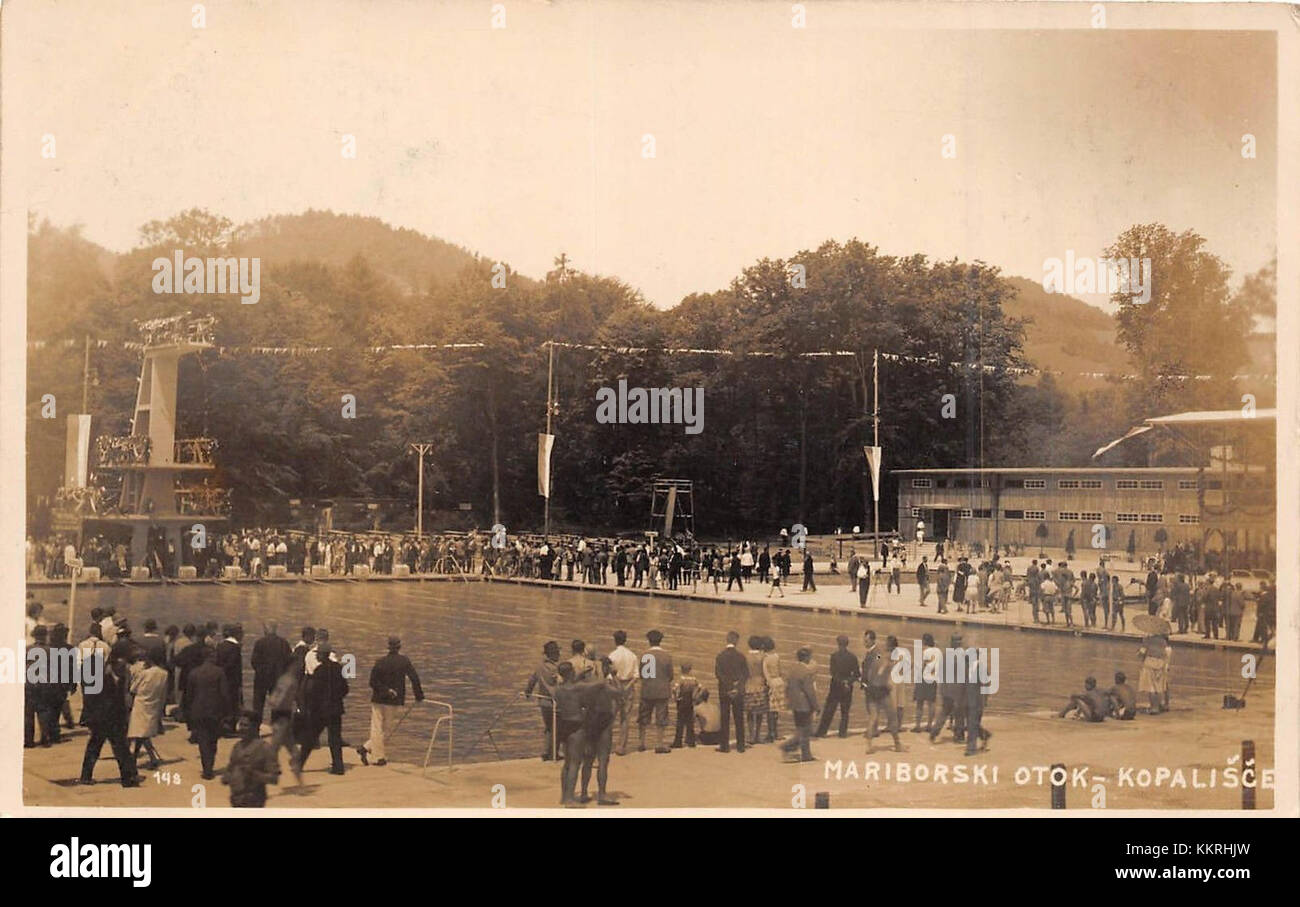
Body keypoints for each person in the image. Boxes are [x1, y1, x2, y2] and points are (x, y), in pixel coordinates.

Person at [78, 645, 142, 787]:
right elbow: (90, 699)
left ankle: (128, 778)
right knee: (101, 747)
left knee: (119, 748)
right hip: (102, 719)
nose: (126, 666)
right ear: (116, 661)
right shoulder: (100, 677)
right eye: (124, 663)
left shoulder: (121, 675)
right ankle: (127, 778)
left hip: (114, 719)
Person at [356, 636, 424, 767]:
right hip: (393, 701)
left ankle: (366, 749)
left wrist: (385, 690)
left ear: (388, 647)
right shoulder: (404, 661)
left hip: (378, 699)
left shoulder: (380, 662)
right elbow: (414, 678)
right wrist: (419, 696)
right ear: (399, 647)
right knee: (387, 729)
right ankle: (377, 757)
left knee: (377, 728)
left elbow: (372, 682)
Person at [299, 642, 349, 775]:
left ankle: (298, 764)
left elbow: (313, 692)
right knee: (335, 738)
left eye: (318, 654)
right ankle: (338, 766)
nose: (317, 656)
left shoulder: (319, 671)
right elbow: (345, 689)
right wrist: (336, 699)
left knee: (311, 737)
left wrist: (310, 707)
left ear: (322, 655)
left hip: (320, 710)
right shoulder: (338, 668)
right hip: (335, 709)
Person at [184, 648, 230, 780]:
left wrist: (188, 712)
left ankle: (206, 768)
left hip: (198, 710)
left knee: (203, 740)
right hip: (214, 710)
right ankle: (210, 764)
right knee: (213, 740)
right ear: (211, 657)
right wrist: (227, 711)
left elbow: (189, 696)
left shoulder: (193, 673)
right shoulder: (219, 672)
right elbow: (224, 694)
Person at [579, 657, 619, 805]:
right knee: (603, 760)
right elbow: (621, 693)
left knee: (588, 760)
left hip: (589, 722)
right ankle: (601, 794)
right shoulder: (607, 686)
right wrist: (614, 676)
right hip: (604, 723)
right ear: (606, 669)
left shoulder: (588, 685)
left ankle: (583, 792)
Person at [222, 710, 281, 807]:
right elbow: (229, 770)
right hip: (236, 800)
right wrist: (228, 777)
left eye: (245, 725)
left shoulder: (264, 748)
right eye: (240, 725)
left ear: (255, 727)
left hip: (254, 801)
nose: (241, 729)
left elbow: (274, 779)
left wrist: (254, 774)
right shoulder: (237, 747)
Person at [127, 649, 169, 769]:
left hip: (140, 704)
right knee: (144, 733)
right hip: (154, 704)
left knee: (138, 734)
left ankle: (133, 759)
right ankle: (152, 757)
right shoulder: (164, 674)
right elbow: (164, 693)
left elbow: (133, 689)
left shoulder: (144, 673)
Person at [864, 635, 904, 753]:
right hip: (881, 689)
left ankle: (868, 745)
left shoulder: (878, 654)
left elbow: (872, 670)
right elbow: (882, 670)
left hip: (872, 688)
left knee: (873, 717)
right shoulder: (887, 658)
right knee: (892, 717)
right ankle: (897, 744)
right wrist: (886, 684)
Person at [250, 622, 293, 727]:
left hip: (261, 678)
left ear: (266, 630)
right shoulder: (284, 643)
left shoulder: (259, 643)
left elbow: (254, 661)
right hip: (278, 678)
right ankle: (275, 728)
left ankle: (255, 728)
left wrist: (260, 670)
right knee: (277, 705)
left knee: (258, 704)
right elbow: (289, 661)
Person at [638, 629, 673, 754]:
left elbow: (642, 674)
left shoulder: (645, 655)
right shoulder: (667, 656)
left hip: (647, 689)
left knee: (643, 717)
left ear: (649, 641)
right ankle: (659, 743)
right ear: (660, 641)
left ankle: (641, 742)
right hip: (662, 690)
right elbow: (670, 676)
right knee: (661, 718)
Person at [815, 634, 858, 738]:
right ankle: (842, 733)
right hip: (848, 687)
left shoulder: (834, 656)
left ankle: (822, 731)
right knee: (845, 711)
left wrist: (842, 682)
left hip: (836, 686)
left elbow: (833, 673)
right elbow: (857, 674)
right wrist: (848, 682)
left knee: (829, 710)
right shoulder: (853, 657)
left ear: (838, 644)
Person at [780, 647, 819, 763]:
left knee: (800, 728)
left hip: (794, 703)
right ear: (806, 658)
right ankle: (788, 746)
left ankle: (806, 754)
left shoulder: (792, 670)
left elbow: (787, 688)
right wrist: (816, 706)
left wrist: (788, 702)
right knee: (805, 730)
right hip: (804, 704)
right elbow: (810, 692)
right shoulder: (806, 672)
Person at [524, 641, 561, 760]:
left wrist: (528, 692)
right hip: (554, 701)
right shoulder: (556, 669)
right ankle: (553, 753)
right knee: (556, 727)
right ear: (553, 654)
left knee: (548, 727)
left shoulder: (539, 667)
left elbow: (532, 680)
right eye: (557, 652)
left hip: (543, 702)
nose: (559, 654)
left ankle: (546, 751)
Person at [714, 630, 749, 752]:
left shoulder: (720, 656)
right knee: (739, 717)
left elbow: (718, 674)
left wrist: (728, 687)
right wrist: (737, 687)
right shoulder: (741, 657)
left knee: (725, 717)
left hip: (724, 690)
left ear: (726, 640)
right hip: (738, 691)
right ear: (737, 641)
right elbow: (745, 674)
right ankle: (740, 745)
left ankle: (724, 745)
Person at [606, 630, 638, 757]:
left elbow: (609, 675)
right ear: (625, 640)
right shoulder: (632, 655)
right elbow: (636, 676)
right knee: (625, 718)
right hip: (628, 686)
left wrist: (617, 687)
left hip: (615, 685)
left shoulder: (612, 656)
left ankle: (607, 744)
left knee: (610, 717)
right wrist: (627, 687)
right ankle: (621, 746)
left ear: (615, 640)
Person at [214, 624, 244, 733]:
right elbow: (234, 667)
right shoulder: (235, 648)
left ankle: (222, 725)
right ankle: (230, 728)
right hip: (232, 681)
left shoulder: (220, 645)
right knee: (233, 704)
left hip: (221, 679)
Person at [911, 632, 940, 733]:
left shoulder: (925, 652)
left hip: (923, 679)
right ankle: (929, 725)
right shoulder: (938, 651)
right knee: (931, 703)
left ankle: (918, 725)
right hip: (934, 679)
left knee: (920, 703)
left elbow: (920, 666)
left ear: (924, 641)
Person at [671, 662, 704, 748]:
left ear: (682, 669)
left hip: (682, 701)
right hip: (690, 701)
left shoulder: (681, 678)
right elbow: (700, 687)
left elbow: (674, 688)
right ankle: (691, 741)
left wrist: (675, 697)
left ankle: (678, 742)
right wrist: (695, 696)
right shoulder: (693, 678)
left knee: (680, 722)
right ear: (690, 669)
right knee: (690, 722)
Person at [1137, 633, 1171, 714]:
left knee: (1151, 687)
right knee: (1159, 687)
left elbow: (1141, 653)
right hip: (1160, 664)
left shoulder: (1148, 640)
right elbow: (1166, 654)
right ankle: (1160, 705)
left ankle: (1154, 708)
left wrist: (1140, 650)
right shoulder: (1163, 641)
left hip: (1149, 663)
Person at [743, 635, 768, 743]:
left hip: (748, 685)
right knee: (760, 712)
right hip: (761, 685)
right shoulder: (763, 657)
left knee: (749, 713)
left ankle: (751, 736)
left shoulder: (745, 657)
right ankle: (758, 735)